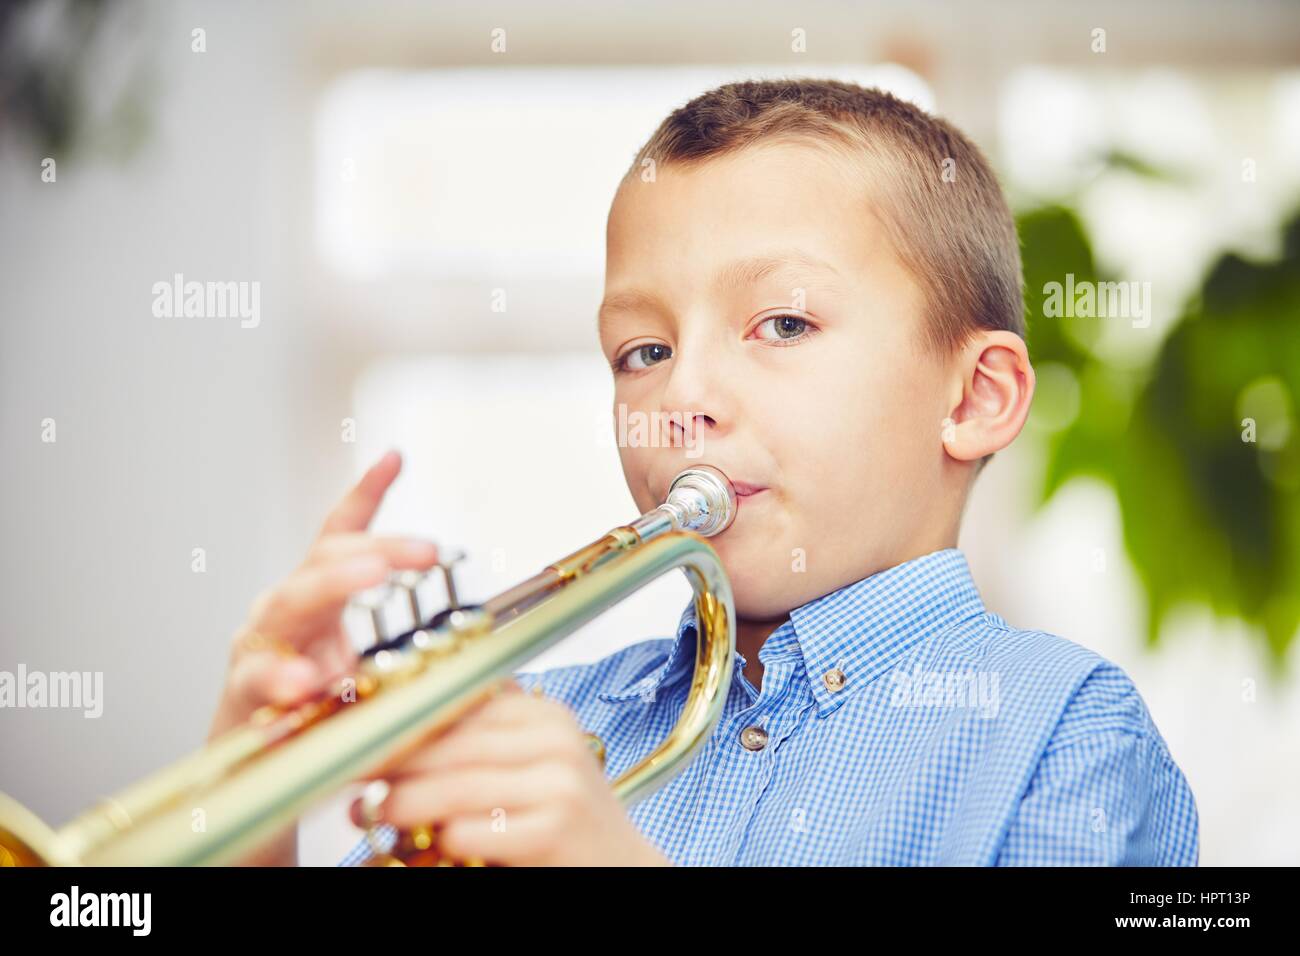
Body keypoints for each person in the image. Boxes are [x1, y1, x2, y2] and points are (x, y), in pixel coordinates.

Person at [209, 79, 1198, 866]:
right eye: (642, 351)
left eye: (781, 324)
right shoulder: (543, 722)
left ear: (975, 398)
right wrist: (250, 796)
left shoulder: (1064, 730)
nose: (682, 399)